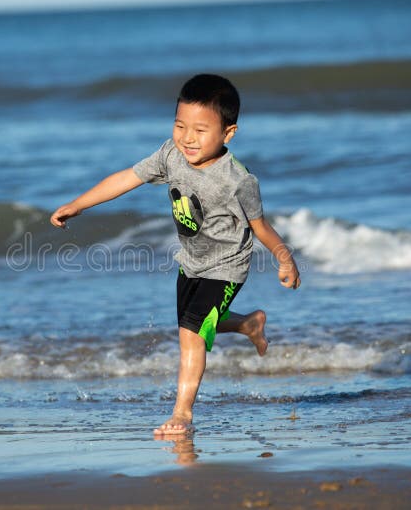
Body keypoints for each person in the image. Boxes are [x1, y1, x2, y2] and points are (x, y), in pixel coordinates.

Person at [50, 74, 300, 435]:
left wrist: (284, 258)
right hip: (192, 260)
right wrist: (78, 205)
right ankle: (248, 324)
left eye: (200, 130)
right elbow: (127, 177)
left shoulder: (238, 181)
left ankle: (182, 413)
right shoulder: (171, 154)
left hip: (227, 266)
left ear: (228, 133)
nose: (187, 137)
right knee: (194, 325)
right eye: (180, 125)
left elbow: (260, 226)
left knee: (191, 335)